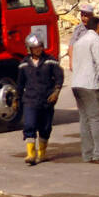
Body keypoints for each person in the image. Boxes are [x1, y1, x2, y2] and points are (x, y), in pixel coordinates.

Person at [69, 15, 99, 164]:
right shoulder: (96, 41)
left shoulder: (79, 42)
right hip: (90, 85)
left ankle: (87, 154)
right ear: (98, 27)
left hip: (77, 84)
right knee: (96, 119)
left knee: (84, 120)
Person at [18, 34, 63, 165]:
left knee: (45, 127)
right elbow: (20, 84)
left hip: (47, 100)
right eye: (35, 47)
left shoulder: (51, 61)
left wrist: (56, 92)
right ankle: (30, 154)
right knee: (29, 125)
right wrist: (17, 99)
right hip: (30, 100)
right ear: (29, 49)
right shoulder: (24, 64)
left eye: (39, 47)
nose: (38, 49)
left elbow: (59, 78)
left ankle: (42, 153)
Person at [63, 3, 96, 70]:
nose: (83, 18)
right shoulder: (78, 29)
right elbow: (71, 45)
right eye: (82, 15)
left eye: (86, 16)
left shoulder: (97, 28)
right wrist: (71, 62)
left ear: (92, 16)